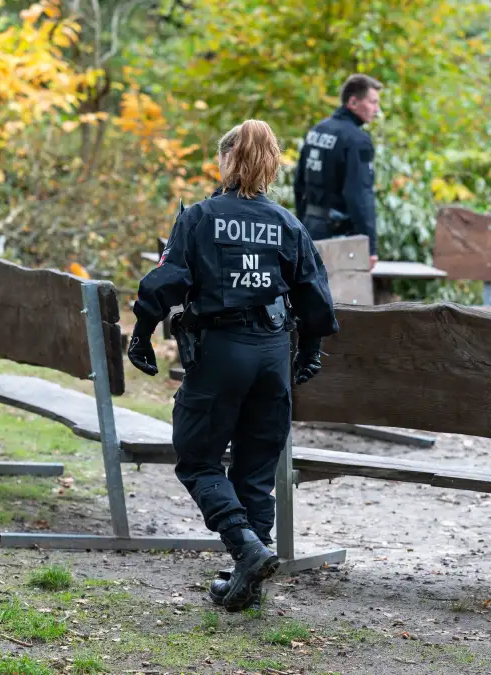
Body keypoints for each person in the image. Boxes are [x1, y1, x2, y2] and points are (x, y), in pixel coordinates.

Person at [127, 119, 339, 612]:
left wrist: (140, 334)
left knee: (198, 458)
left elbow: (167, 280)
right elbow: (315, 295)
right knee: (255, 469)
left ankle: (244, 546)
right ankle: (248, 576)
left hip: (222, 351)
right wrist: (308, 352)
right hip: (272, 354)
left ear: (226, 161)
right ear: (272, 164)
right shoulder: (288, 224)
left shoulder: (200, 217)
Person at [293, 73, 382, 269]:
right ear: (353, 102)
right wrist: (370, 247)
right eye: (373, 102)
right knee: (342, 296)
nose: (377, 109)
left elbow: (299, 182)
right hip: (338, 237)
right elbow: (359, 195)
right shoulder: (357, 140)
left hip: (310, 226)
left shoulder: (318, 130)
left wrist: (301, 225)